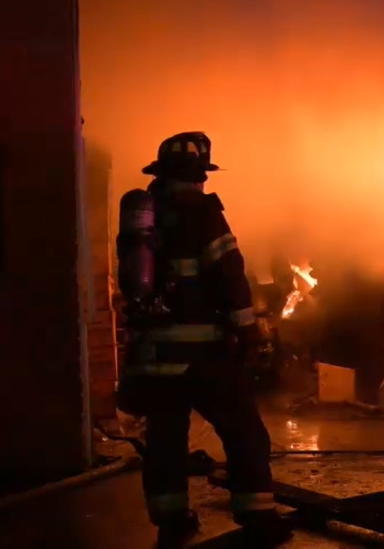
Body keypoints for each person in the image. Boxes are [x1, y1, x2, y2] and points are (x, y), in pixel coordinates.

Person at [115, 132, 292, 548]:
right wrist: (248, 331)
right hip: (202, 355)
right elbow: (229, 273)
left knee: (165, 440)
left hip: (155, 355)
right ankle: (257, 516)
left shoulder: (145, 215)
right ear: (199, 173)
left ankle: (171, 521)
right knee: (244, 431)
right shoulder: (204, 212)